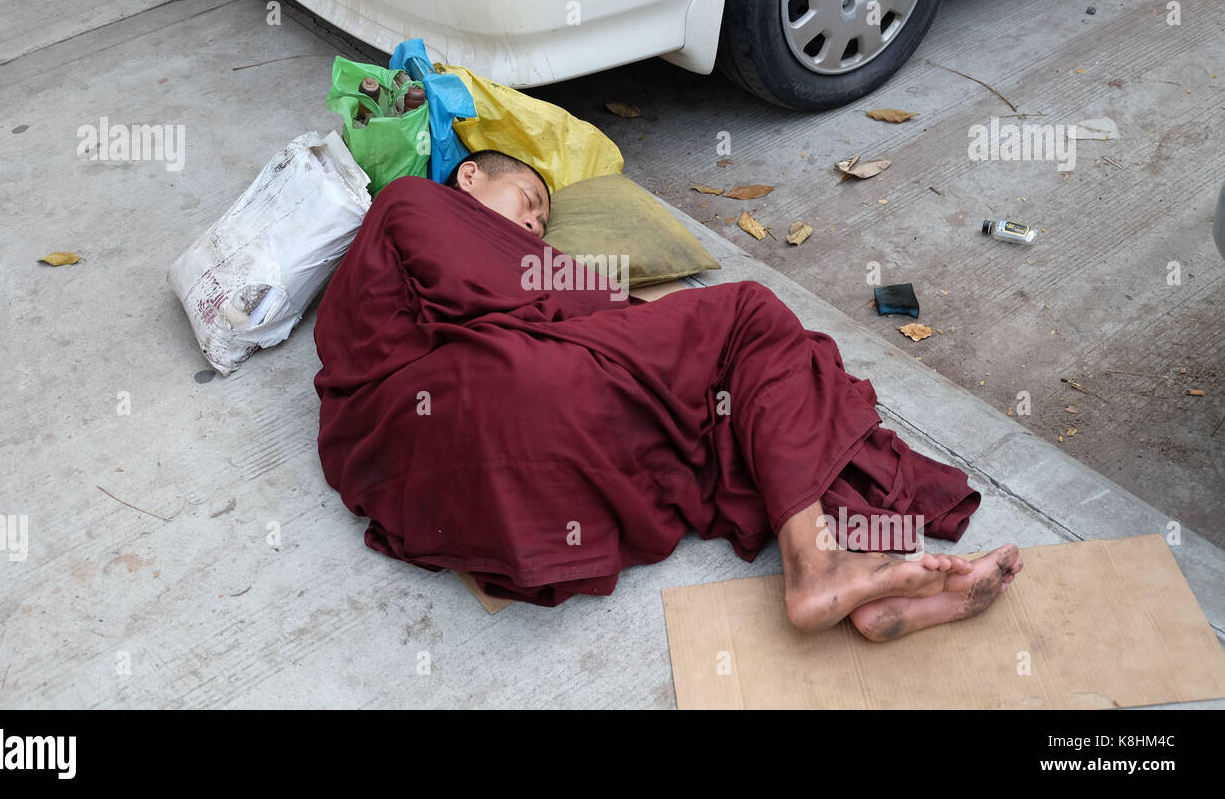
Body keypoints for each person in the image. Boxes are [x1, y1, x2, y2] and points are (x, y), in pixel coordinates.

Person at [315, 151, 1022, 643]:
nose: (531, 229)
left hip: (419, 473)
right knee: (750, 320)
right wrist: (620, 306)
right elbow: (515, 292)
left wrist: (619, 309)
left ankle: (875, 577)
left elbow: (547, 291)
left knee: (737, 401)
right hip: (484, 395)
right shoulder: (412, 199)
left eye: (539, 226)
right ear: (469, 175)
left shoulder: (508, 251)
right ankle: (816, 563)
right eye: (528, 203)